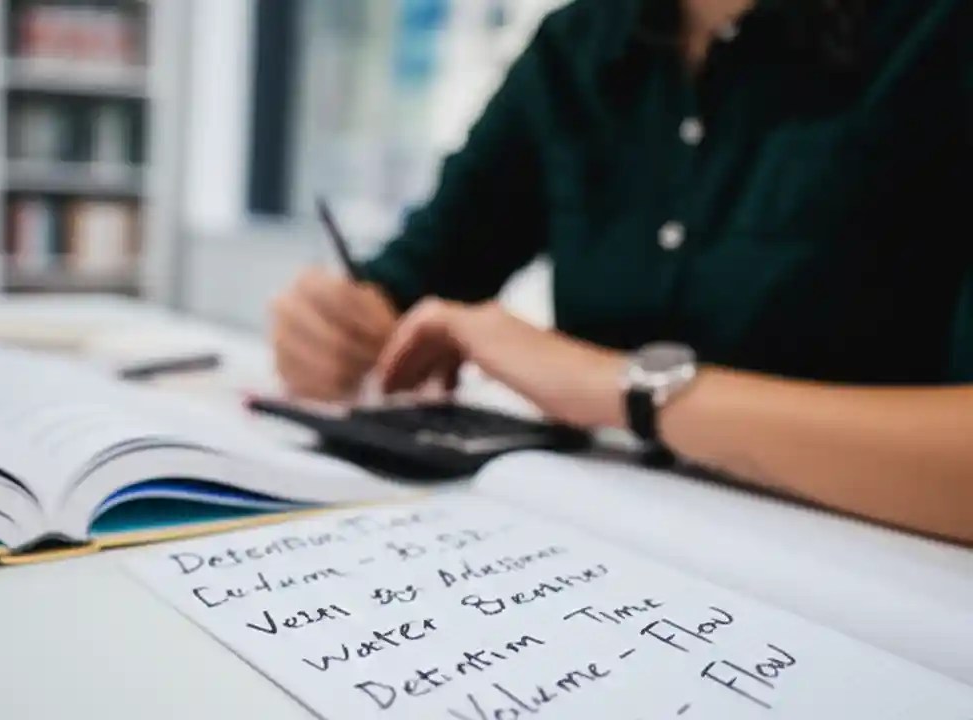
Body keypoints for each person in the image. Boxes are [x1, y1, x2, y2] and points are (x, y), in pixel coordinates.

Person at [269, 0, 973, 545]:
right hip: (589, 558)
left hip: (872, 590)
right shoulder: (576, 48)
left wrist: (614, 387)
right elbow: (411, 285)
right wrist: (335, 329)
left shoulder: (938, 38)